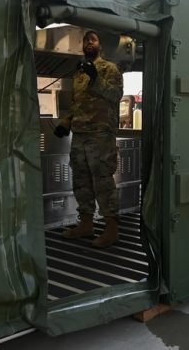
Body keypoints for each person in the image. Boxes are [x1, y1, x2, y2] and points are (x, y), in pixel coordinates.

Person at [54, 30, 123, 248]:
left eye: (92, 39)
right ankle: (86, 224)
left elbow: (116, 95)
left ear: (100, 45)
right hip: (80, 135)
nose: (88, 43)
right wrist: (66, 123)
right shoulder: (80, 75)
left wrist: (96, 79)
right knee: (81, 181)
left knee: (102, 180)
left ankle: (111, 229)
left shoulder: (109, 69)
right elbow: (77, 104)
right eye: (85, 40)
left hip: (101, 134)